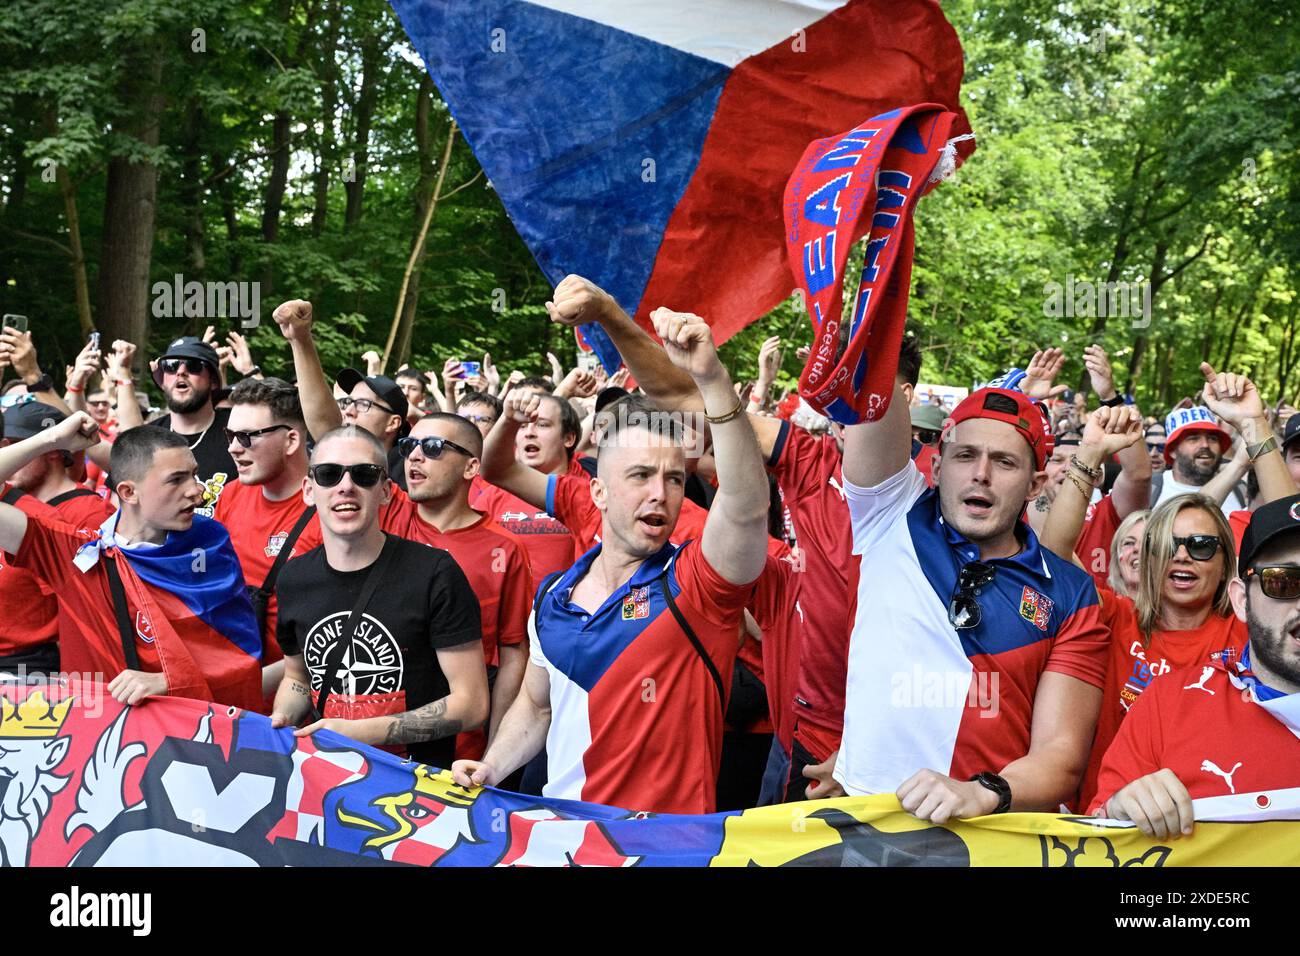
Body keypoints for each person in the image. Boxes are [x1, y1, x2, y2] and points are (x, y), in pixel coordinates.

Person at [452, 308, 769, 814]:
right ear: (596, 492)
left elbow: (748, 507)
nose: (660, 494)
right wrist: (492, 766)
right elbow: (537, 706)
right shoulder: (554, 597)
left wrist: (712, 380)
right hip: (566, 837)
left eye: (673, 479)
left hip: (664, 851)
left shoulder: (697, 586)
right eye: (641, 475)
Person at [831, 382, 1111, 821]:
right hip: (862, 825)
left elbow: (1060, 757)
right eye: (965, 456)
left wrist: (979, 794)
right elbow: (876, 386)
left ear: (1035, 485)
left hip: (988, 836)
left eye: (1004, 462)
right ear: (938, 467)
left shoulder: (1072, 594)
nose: (981, 473)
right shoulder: (892, 513)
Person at [0, 417, 263, 709]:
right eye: (177, 479)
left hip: (191, 736)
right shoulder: (77, 554)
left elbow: (239, 653)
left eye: (194, 475)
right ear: (128, 492)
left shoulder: (210, 544)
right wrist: (49, 440)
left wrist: (168, 678)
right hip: (100, 737)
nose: (195, 491)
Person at [271, 425, 489, 769]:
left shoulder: (435, 573)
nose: (346, 487)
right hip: (324, 777)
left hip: (412, 790)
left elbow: (472, 703)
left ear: (386, 491)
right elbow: (297, 677)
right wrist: (282, 718)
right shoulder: (294, 578)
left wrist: (360, 732)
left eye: (364, 475)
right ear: (309, 490)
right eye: (328, 474)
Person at [1090, 493, 1300, 838]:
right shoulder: (1159, 693)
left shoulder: (1239, 631)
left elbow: (1288, 510)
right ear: (1242, 600)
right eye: (1282, 582)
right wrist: (1119, 808)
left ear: (1222, 566)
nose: (1183, 555)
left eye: (1202, 545)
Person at [389, 412, 533, 763]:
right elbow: (331, 432)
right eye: (409, 446)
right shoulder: (385, 514)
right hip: (373, 733)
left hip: (457, 745)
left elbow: (513, 652)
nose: (415, 456)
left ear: (471, 468)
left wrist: (494, 748)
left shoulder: (506, 548)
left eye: (434, 447)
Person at [213, 377, 322, 705]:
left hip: (299, 704)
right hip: (231, 689)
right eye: (230, 435)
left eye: (246, 437)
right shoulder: (230, 495)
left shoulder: (331, 508)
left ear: (291, 440)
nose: (233, 447)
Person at [270, 299, 411, 490]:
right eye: (347, 402)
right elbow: (325, 425)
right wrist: (299, 339)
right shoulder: (337, 455)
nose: (349, 411)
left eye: (363, 404)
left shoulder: (409, 469)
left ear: (393, 423)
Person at [114, 336, 238, 515]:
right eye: (171, 366)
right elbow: (123, 511)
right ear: (163, 381)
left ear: (213, 381)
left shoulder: (238, 432)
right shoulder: (148, 439)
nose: (180, 372)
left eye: (194, 366)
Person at [475, 389, 588, 581]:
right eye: (521, 426)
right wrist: (509, 419)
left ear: (569, 438)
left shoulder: (587, 495)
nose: (529, 433)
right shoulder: (493, 494)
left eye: (542, 425)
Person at [1154, 405, 1243, 514]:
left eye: (1212, 438)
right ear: (1172, 450)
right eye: (1193, 438)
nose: (1205, 445)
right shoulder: (1149, 490)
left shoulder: (1241, 489)